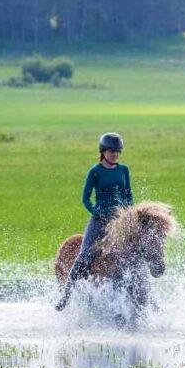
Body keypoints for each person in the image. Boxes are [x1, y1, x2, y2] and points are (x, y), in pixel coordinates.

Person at [55, 132, 133, 311]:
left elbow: (128, 195)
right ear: (103, 151)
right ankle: (66, 296)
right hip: (99, 219)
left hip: (120, 219)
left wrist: (129, 211)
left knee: (134, 252)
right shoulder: (95, 172)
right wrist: (96, 212)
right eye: (111, 151)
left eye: (117, 151)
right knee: (85, 255)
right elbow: (85, 199)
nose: (115, 154)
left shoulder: (124, 170)